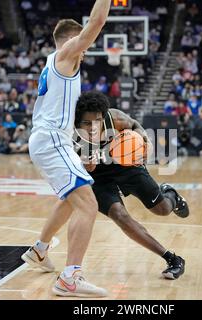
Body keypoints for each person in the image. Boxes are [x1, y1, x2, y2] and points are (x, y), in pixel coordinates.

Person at [21, 0, 111, 298]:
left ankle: (39, 250)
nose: (84, 53)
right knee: (88, 204)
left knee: (74, 196)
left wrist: (83, 149)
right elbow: (96, 22)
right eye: (83, 46)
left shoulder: (53, 61)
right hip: (51, 140)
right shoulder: (66, 54)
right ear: (72, 41)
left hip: (51, 139)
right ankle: (70, 278)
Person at [72, 91, 188, 279]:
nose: (93, 127)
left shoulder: (114, 117)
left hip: (125, 165)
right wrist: (84, 166)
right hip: (98, 176)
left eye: (98, 121)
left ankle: (171, 195)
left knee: (163, 209)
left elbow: (135, 125)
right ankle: (172, 259)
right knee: (119, 215)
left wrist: (145, 142)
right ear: (78, 121)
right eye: (87, 122)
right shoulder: (70, 135)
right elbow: (70, 167)